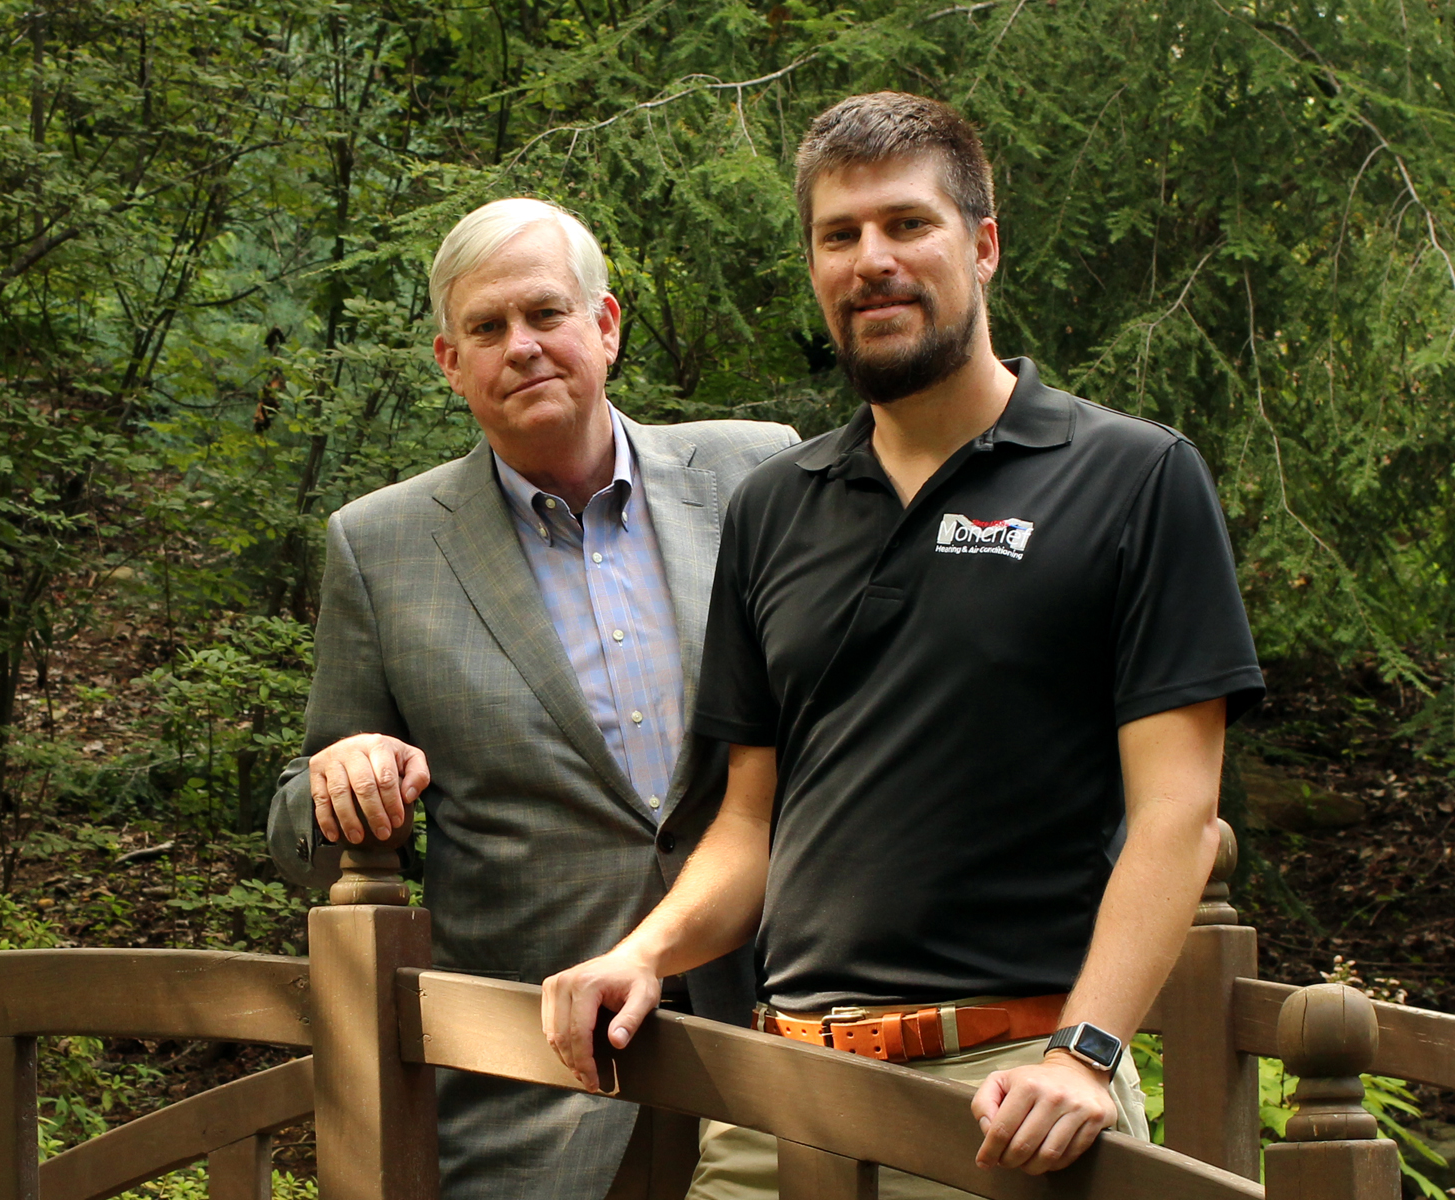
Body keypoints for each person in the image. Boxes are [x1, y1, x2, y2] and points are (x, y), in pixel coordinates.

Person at [540, 92, 1265, 1200]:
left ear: (981, 246)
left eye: (905, 224)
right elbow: (749, 825)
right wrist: (644, 950)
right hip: (776, 1101)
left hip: (1014, 1100)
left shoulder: (1132, 478)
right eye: (839, 236)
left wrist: (1088, 1050)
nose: (870, 260)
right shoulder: (776, 508)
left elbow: (1177, 815)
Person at [268, 197, 797, 1200]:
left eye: (546, 314)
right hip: (539, 1093)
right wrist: (335, 779)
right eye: (487, 328)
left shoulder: (754, 474)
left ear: (605, 325)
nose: (523, 346)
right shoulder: (381, 550)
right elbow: (304, 823)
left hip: (778, 1046)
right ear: (448, 362)